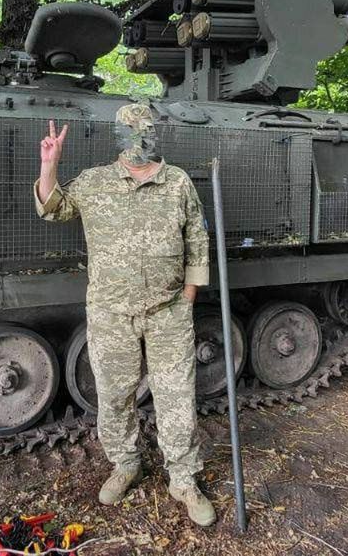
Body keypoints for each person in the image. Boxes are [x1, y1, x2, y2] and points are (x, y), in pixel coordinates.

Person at [34, 102, 215, 527]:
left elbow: (197, 238)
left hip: (169, 312)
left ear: (156, 135)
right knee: (115, 396)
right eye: (130, 131)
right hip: (111, 314)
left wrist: (188, 295)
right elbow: (52, 208)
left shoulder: (177, 183)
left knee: (177, 398)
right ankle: (126, 464)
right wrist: (50, 164)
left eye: (146, 131)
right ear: (117, 136)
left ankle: (184, 479)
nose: (139, 138)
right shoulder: (95, 182)